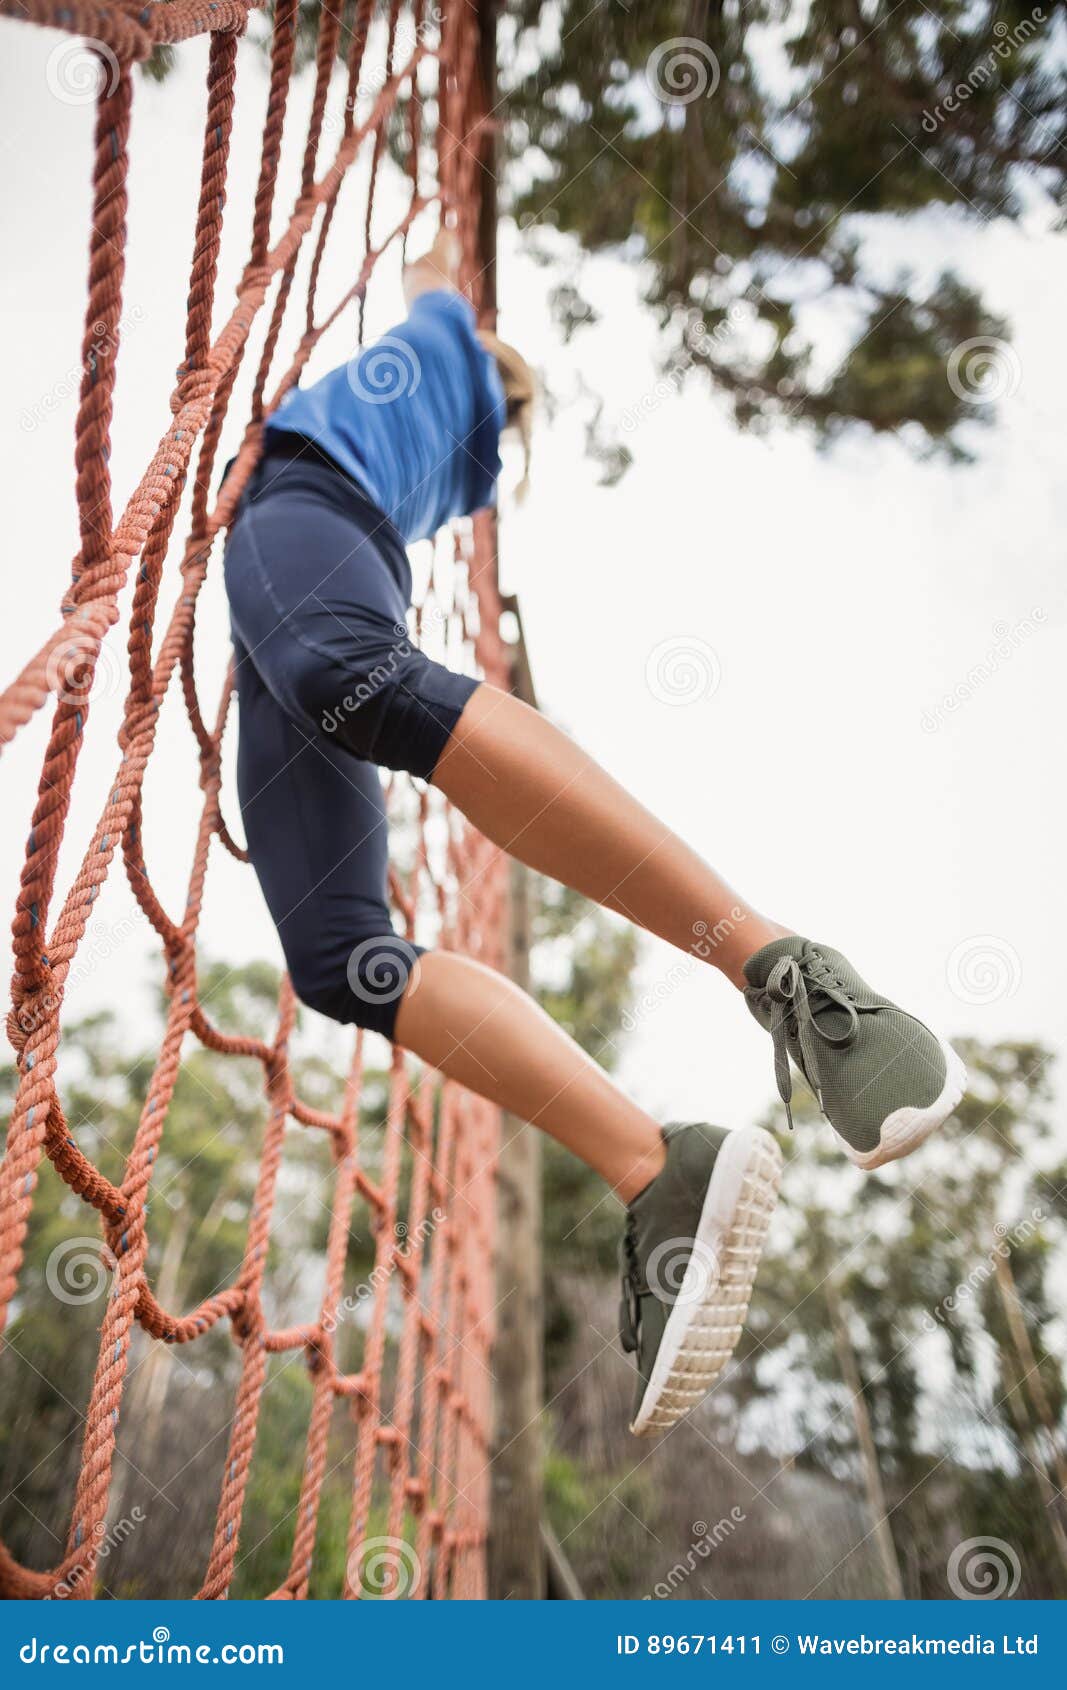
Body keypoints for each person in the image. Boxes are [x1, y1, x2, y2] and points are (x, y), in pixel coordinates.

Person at [223, 230, 967, 1440]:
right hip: (299, 580)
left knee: (344, 668)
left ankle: (778, 967)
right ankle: (653, 1165)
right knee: (338, 956)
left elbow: (428, 275)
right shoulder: (468, 468)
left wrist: (427, 241)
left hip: (300, 518)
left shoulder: (437, 344)